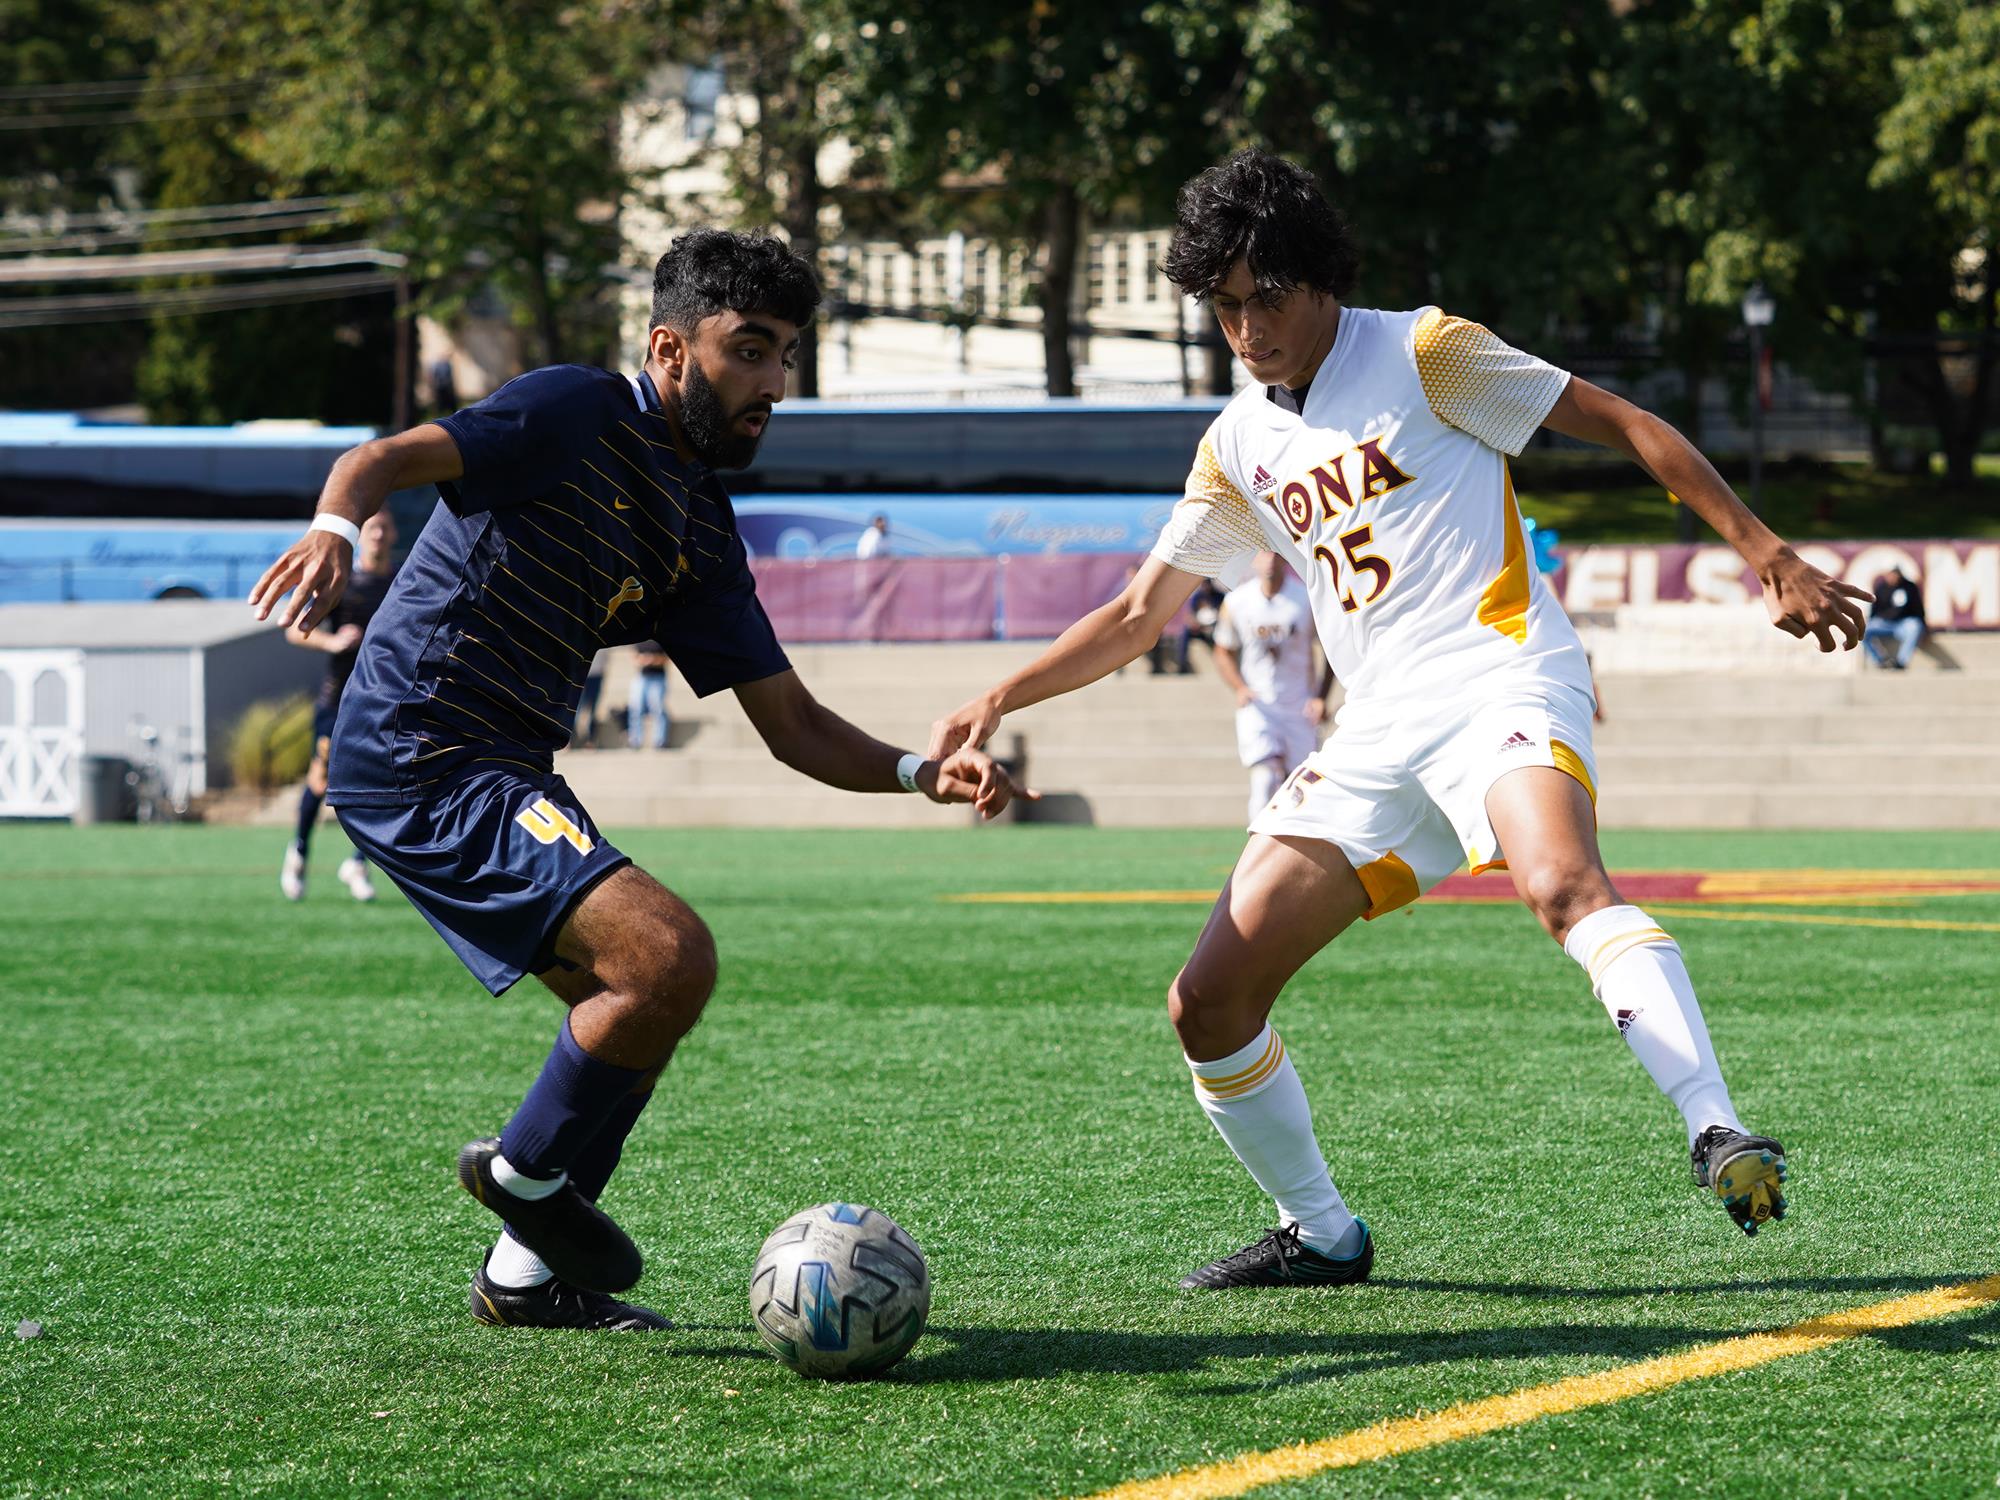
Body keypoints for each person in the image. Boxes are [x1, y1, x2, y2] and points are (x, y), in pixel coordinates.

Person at [930, 148, 1867, 1288]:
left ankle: (1715, 1129)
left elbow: (1625, 425)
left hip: (1499, 674)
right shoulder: (1235, 444)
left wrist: (1765, 554)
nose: (1245, 328)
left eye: (1263, 297)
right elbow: (1138, 613)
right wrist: (993, 698)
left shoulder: (1426, 351)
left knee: (1558, 882)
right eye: (1223, 306)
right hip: (1373, 733)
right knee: (1205, 1003)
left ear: (1317, 275)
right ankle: (1320, 1234)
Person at [250, 229, 1028, 1332]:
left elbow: (794, 724)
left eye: (785, 358)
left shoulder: (697, 525)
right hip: (422, 748)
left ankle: (523, 1281)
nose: (770, 383)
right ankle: (520, 1180)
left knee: (632, 1015)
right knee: (667, 955)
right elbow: (376, 462)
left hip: (504, 766)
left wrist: (918, 772)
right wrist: (334, 529)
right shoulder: (571, 408)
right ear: (669, 346)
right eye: (747, 349)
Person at [280, 509, 397, 903]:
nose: (378, 535)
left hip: (383, 700)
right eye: (372, 529)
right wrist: (332, 642)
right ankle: (298, 852)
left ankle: (357, 863)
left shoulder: (402, 582)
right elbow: (296, 630)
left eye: (384, 528)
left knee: (385, 783)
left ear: (393, 534)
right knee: (321, 781)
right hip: (338, 699)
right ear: (361, 537)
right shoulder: (343, 580)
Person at [1212, 550, 1328, 821]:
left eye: (1276, 554)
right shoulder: (1237, 601)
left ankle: (1297, 851)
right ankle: (1257, 850)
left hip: (1299, 705)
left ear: (1285, 557)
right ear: (1253, 558)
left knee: (1302, 784)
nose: (1269, 561)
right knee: (1264, 777)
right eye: (1263, 554)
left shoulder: (1306, 598)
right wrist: (1239, 687)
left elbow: (1330, 651)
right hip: (1259, 706)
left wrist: (1321, 696)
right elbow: (1222, 649)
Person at [1864, 565, 1927, 669]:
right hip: (1884, 624)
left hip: (1903, 624)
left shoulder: (1909, 587)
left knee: (1915, 626)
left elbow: (1919, 609)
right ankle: (1880, 661)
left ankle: (1901, 662)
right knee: (1863, 630)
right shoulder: (1881, 588)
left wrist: (1925, 629)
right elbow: (1874, 609)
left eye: (1895, 573)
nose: (1893, 576)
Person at [626, 640, 671, 749]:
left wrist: (653, 660)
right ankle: (635, 740)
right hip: (642, 676)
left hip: (658, 677)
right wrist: (645, 660)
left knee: (657, 708)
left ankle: (660, 741)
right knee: (636, 708)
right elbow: (634, 658)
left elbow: (667, 659)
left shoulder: (660, 640)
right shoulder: (640, 640)